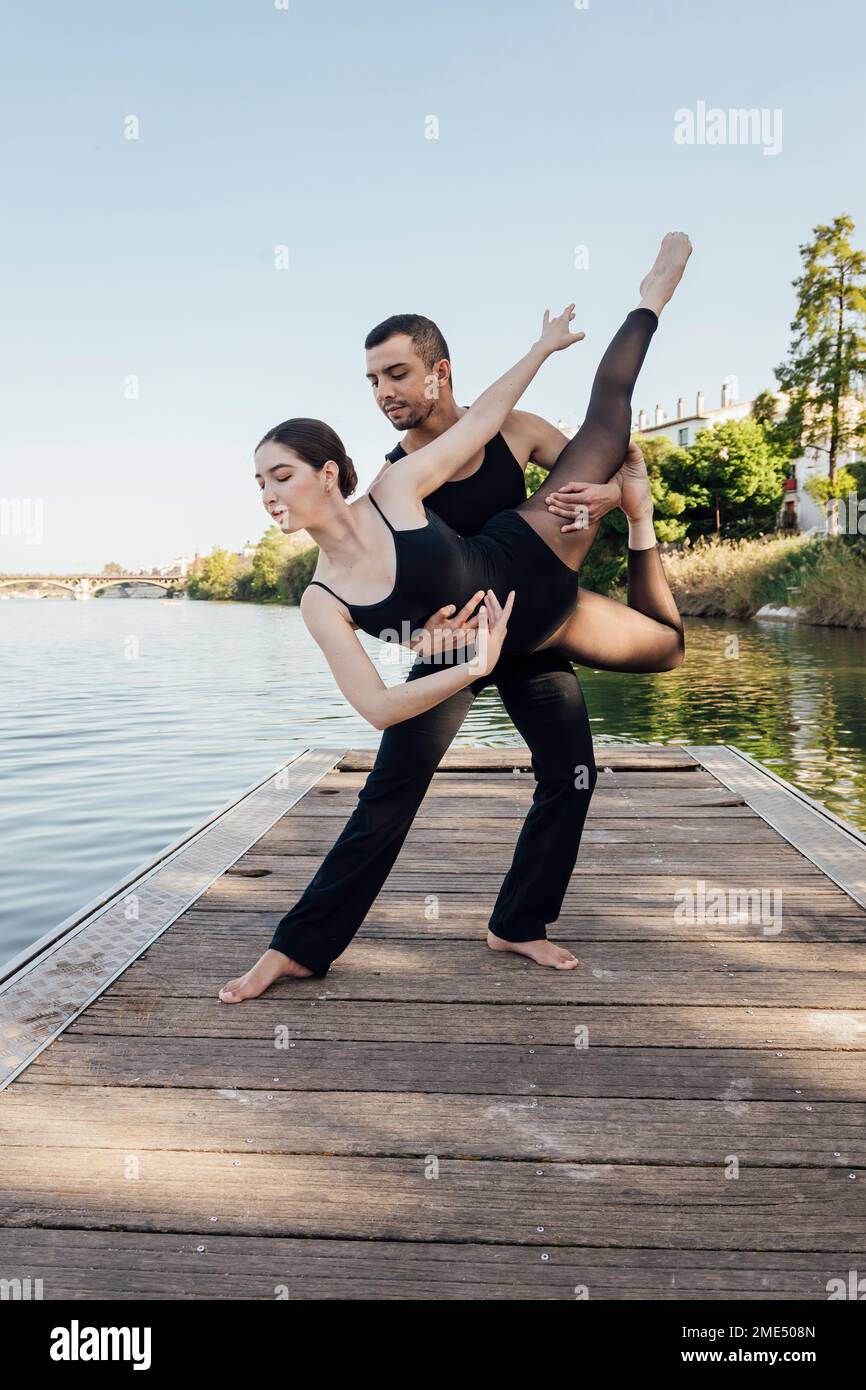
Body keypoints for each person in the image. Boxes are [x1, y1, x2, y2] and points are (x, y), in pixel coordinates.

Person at [219, 232, 690, 1001]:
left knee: (583, 761)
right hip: (466, 636)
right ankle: (300, 948)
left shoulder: (464, 456)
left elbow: (516, 424)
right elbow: (380, 661)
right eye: (371, 379)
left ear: (438, 370)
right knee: (389, 791)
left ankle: (653, 298)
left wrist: (615, 492)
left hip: (536, 585)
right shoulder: (388, 489)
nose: (383, 390)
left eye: (396, 373)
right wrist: (434, 643)